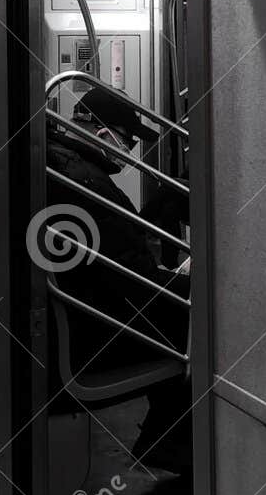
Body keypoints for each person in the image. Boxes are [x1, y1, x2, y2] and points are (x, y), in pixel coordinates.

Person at [46, 86, 191, 473]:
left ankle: (166, 438)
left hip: (81, 315)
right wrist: (184, 283)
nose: (128, 152)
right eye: (127, 141)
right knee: (201, 312)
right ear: (101, 132)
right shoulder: (88, 183)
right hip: (97, 335)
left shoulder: (61, 164)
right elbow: (135, 286)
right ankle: (170, 440)